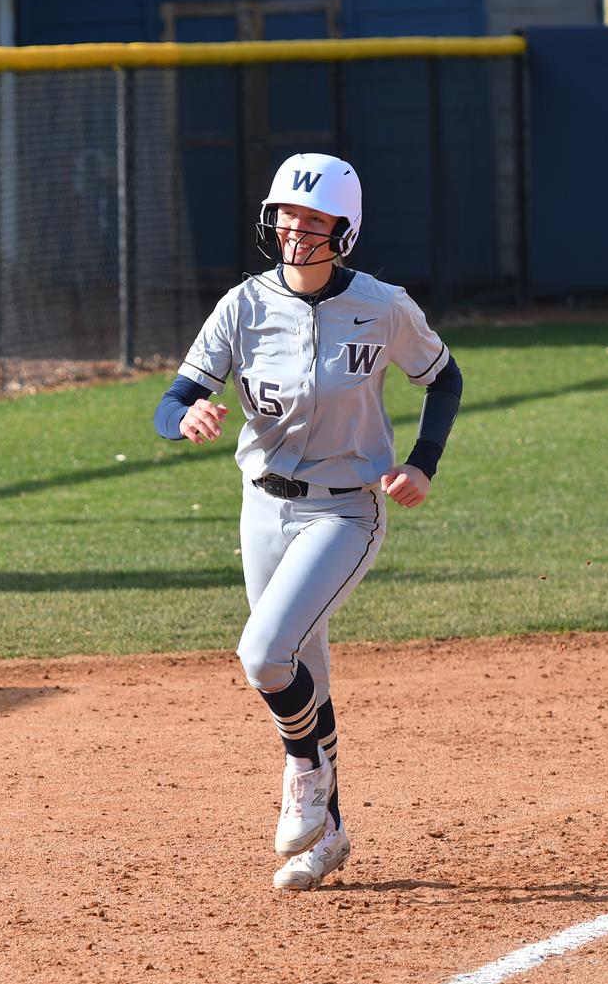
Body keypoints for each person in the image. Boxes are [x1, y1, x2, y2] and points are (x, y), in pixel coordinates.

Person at [153, 153, 462, 891]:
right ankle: (330, 834)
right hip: (262, 506)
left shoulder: (384, 306)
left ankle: (303, 772)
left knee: (263, 654)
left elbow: (444, 377)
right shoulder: (243, 305)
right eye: (287, 214)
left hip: (346, 510)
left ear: (344, 230)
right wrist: (185, 415)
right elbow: (173, 398)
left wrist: (422, 462)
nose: (296, 229)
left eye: (314, 218)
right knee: (303, 672)